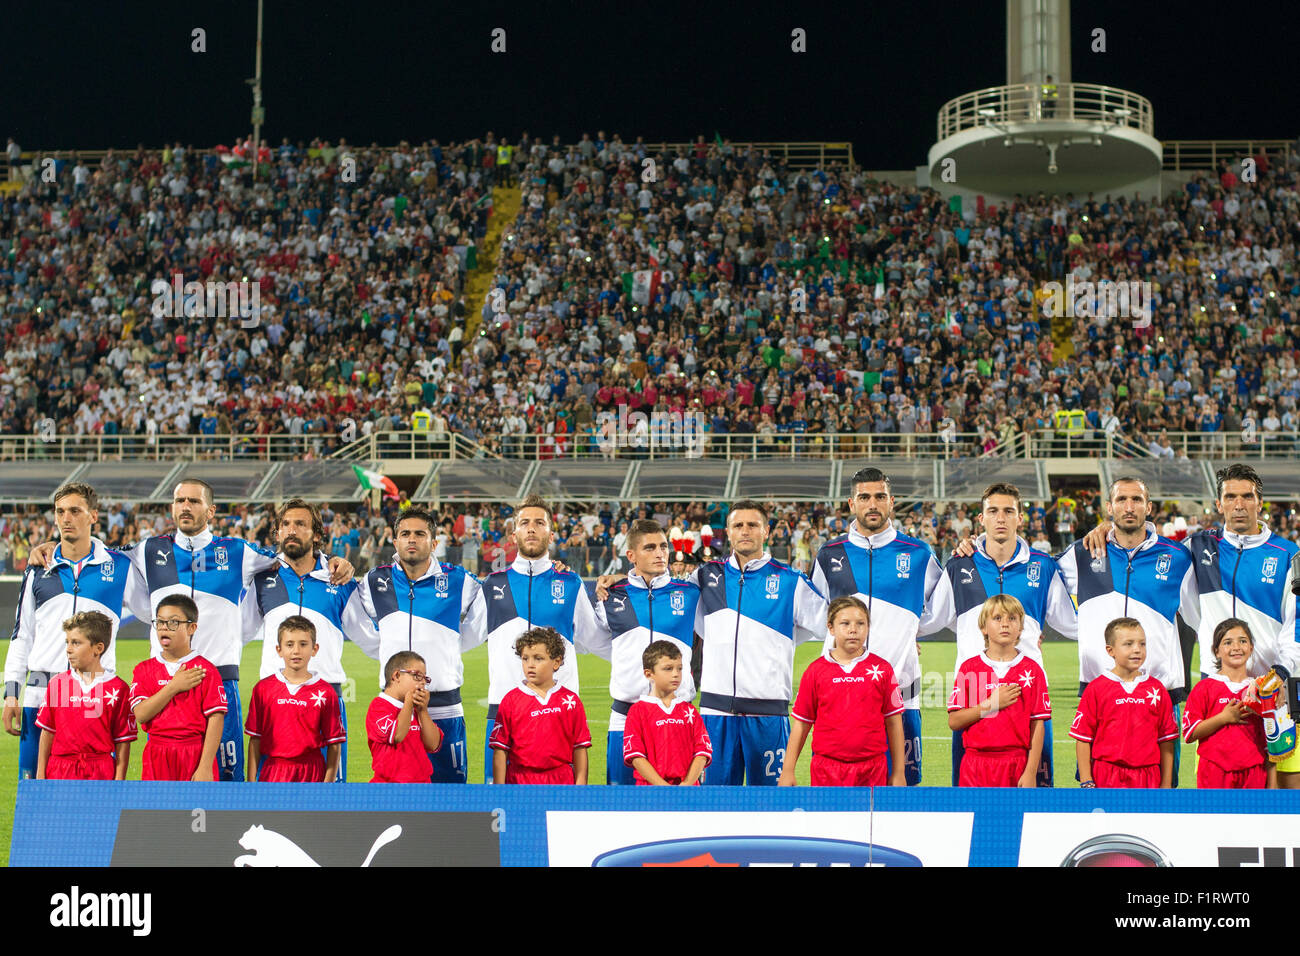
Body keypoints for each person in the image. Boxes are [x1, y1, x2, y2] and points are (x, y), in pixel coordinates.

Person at [26, 478, 353, 781]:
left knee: (225, 778)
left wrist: (333, 562)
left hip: (222, 681)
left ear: (210, 510)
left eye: (194, 501)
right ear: (171, 508)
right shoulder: (148, 550)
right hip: (165, 679)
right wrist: (52, 549)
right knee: (166, 774)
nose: (185, 506)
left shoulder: (239, 552)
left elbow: (294, 555)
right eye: (179, 500)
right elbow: (90, 553)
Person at [1081, 463, 1300, 786]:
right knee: (1217, 774)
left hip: (1274, 688)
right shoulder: (1199, 547)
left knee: (1285, 783)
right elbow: (1145, 542)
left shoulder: (1287, 553)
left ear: (1260, 502)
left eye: (1247, 496)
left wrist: (1281, 674)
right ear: (1219, 503)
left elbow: (1296, 625)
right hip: (1218, 687)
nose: (1239, 504)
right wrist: (1107, 528)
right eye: (1230, 496)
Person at [928, 482, 1076, 785]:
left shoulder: (1042, 565)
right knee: (969, 793)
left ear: (1020, 518)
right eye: (993, 511)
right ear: (981, 519)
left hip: (1028, 687)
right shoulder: (960, 563)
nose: (1001, 518)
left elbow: (1072, 623)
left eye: (1008, 511)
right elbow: (930, 619)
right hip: (972, 685)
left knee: (1035, 792)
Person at [1056, 476, 1196, 782]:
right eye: (1121, 500)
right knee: (1095, 797)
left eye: (1136, 500)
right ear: (1109, 507)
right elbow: (1038, 579)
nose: (1128, 507)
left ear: (1149, 507)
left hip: (1159, 696)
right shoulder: (1082, 553)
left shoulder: (1177, 558)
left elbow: (1200, 616)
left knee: (1160, 799)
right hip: (1099, 694)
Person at [4, 482, 145, 779]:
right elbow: (22, 635)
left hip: (95, 693)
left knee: (93, 789)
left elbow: (152, 612)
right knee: (33, 787)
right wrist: (11, 693)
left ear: (93, 516)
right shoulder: (38, 569)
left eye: (75, 511)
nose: (66, 518)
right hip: (41, 691)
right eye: (60, 512)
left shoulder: (119, 566)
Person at [811, 467, 943, 784]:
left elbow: (941, 609)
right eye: (865, 497)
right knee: (839, 793)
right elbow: (816, 616)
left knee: (902, 796)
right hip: (843, 697)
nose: (873, 504)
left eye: (880, 496)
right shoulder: (830, 554)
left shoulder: (919, 553)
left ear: (891, 501)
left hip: (902, 694)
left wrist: (910, 632)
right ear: (851, 503)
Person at [243, 498, 379, 782]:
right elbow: (238, 634)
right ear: (278, 533)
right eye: (286, 525)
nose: (292, 530)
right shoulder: (263, 578)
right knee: (269, 794)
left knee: (328, 800)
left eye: (300, 524)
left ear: (317, 535)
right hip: (273, 698)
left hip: (325, 697)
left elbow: (369, 639)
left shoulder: (339, 580)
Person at [472, 494, 600, 782]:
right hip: (503, 712)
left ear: (551, 534)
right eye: (525, 522)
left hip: (559, 713)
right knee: (500, 811)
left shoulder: (570, 583)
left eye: (539, 523)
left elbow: (594, 640)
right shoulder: (492, 585)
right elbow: (464, 637)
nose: (532, 528)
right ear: (514, 532)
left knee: (562, 807)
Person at [351, 506, 484, 783]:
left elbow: (483, 617)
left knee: (451, 798)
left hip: (444, 706)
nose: (412, 539)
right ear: (395, 541)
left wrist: (450, 645)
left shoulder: (457, 580)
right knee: (397, 799)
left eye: (420, 534)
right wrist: (385, 651)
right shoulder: (376, 580)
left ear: (434, 543)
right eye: (405, 533)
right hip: (395, 710)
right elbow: (353, 618)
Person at [589, 519, 700, 784]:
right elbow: (595, 640)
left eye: (663, 546)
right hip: (624, 716)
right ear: (631, 556)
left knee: (678, 804)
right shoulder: (611, 596)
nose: (660, 553)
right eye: (649, 548)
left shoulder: (690, 593)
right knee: (621, 804)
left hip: (676, 717)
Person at [779, 596, 906, 787]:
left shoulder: (882, 669)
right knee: (830, 817)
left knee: (868, 818)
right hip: (827, 769)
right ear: (831, 628)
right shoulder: (815, 671)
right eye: (845, 623)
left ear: (868, 627)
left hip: (872, 769)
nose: (853, 629)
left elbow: (894, 722)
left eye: (860, 623)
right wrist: (788, 770)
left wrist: (898, 772)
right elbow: (801, 724)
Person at [947, 595, 1051, 788]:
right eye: (997, 618)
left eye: (1012, 618)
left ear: (1020, 628)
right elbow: (954, 721)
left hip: (1017, 764)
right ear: (983, 628)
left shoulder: (1033, 670)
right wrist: (992, 704)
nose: (1005, 624)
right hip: (975, 765)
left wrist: (1030, 773)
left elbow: (1038, 725)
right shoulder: (969, 668)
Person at [129, 595, 226, 781]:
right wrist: (173, 686)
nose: (164, 628)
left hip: (194, 754)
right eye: (160, 622)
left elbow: (216, 719)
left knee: (194, 809)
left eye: (173, 622)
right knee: (158, 809)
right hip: (157, 753)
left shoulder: (206, 670)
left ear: (192, 628)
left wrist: (205, 766)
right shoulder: (144, 670)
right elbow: (141, 714)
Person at [1070, 618, 1177, 788]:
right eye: (1128, 644)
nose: (1137, 649)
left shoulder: (1157, 689)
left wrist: (1165, 784)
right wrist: (1086, 780)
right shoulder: (1096, 688)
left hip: (1148, 777)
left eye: (1142, 644)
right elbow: (1083, 738)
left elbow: (1166, 741)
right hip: (1106, 775)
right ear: (1110, 650)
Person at [34, 611, 135, 780]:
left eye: (76, 643)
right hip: (60, 771)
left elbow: (122, 740)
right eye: (67, 642)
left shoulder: (119, 688)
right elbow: (48, 732)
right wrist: (40, 773)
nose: (68, 649)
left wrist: (119, 781)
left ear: (98, 648)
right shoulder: (58, 684)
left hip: (100, 772)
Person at [245, 616, 347, 783]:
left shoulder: (326, 692)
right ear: (279, 649)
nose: (296, 651)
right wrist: (250, 783)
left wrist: (327, 786)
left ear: (315, 649)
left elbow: (334, 744)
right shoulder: (263, 689)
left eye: (303, 644)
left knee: (308, 811)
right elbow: (255, 739)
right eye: (290, 644)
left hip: (312, 772)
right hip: (273, 772)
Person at [1182, 618, 1276, 789]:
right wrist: (1223, 718)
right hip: (1214, 770)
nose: (1236, 647)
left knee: (1252, 816)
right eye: (1228, 642)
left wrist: (1272, 785)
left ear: (1251, 647)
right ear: (1216, 651)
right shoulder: (1205, 687)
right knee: (1215, 816)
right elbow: (1189, 733)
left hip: (1254, 771)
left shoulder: (1261, 690)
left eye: (1242, 641)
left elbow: (1270, 743)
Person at [489, 627, 590, 784]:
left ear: (556, 662)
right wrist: (500, 790)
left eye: (538, 658)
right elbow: (501, 750)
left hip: (561, 781)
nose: (530, 665)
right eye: (525, 658)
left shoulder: (570, 701)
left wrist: (580, 785)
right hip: (520, 782)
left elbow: (579, 747)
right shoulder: (511, 700)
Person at [621, 640, 711, 785]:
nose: (676, 674)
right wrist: (663, 787)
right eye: (668, 669)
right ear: (649, 674)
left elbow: (702, 752)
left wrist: (687, 784)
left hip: (686, 792)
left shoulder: (689, 711)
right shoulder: (638, 711)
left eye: (679, 668)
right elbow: (636, 756)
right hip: (651, 793)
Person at [366, 651, 444, 783]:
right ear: (396, 675)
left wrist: (423, 711)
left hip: (422, 785)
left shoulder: (416, 708)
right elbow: (396, 735)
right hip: (390, 788)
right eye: (417, 676)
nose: (423, 683)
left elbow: (433, 745)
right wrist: (408, 704)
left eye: (425, 678)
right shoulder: (378, 706)